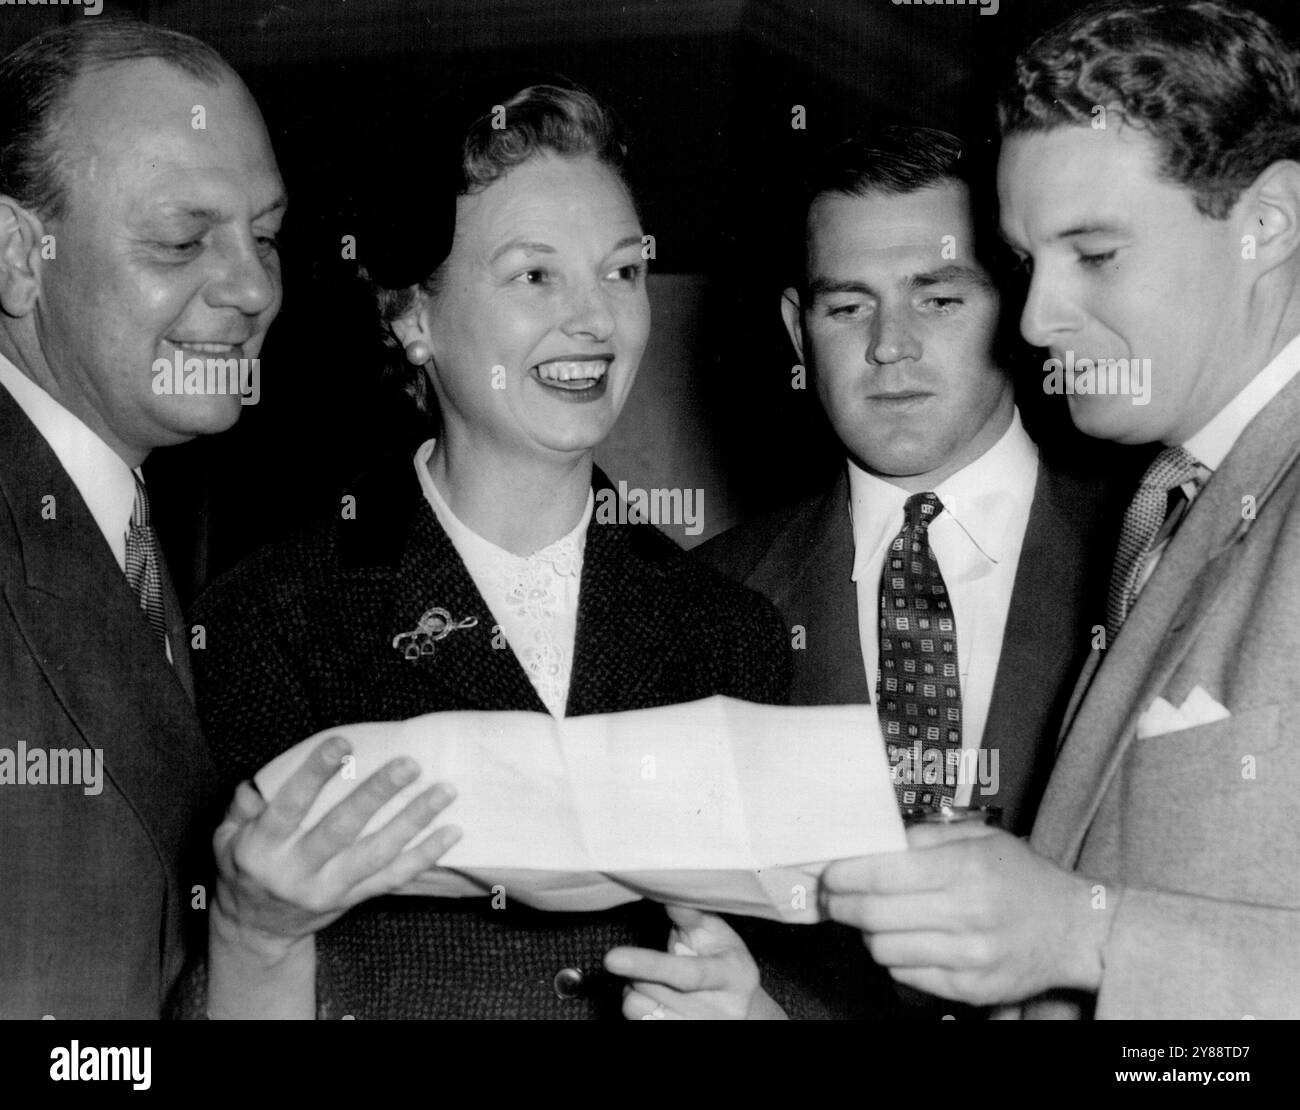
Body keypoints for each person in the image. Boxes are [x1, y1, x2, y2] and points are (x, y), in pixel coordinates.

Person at [190, 82, 792, 1019]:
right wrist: (251, 929)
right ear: (412, 318)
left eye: (623, 272)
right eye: (535, 276)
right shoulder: (269, 622)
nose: (596, 319)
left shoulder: (735, 636)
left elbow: (798, 974)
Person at [824, 0, 1300, 1019]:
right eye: (1026, 261)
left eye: (1094, 254)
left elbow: (1092, 933)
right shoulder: (1170, 504)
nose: (1037, 319)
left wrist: (1081, 931)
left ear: (1267, 222)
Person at [692, 125, 1114, 1018]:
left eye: (939, 300)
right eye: (848, 307)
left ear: (1019, 306)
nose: (889, 344)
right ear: (795, 332)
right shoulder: (708, 599)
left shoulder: (1146, 550)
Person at [0, 19, 285, 1018]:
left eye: (266, 236)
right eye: (181, 238)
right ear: (14, 255)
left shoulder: (132, 531)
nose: (252, 287)